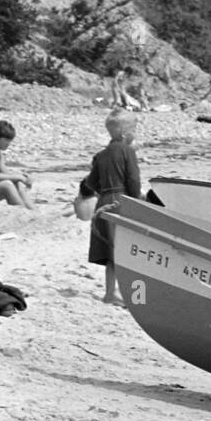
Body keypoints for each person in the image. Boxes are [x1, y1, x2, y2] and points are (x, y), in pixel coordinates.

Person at [82, 109, 142, 305]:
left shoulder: (100, 155)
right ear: (126, 134)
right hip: (121, 201)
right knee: (126, 249)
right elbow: (133, 180)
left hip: (104, 202)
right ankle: (132, 295)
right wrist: (137, 202)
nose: (136, 132)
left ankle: (109, 292)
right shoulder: (128, 151)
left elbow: (91, 183)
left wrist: (103, 192)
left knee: (111, 252)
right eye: (134, 129)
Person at [0, 120, 35, 209]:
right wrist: (18, 177)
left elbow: (5, 172)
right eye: (7, 140)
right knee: (7, 185)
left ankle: (32, 210)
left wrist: (23, 177)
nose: (9, 144)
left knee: (17, 182)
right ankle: (23, 211)